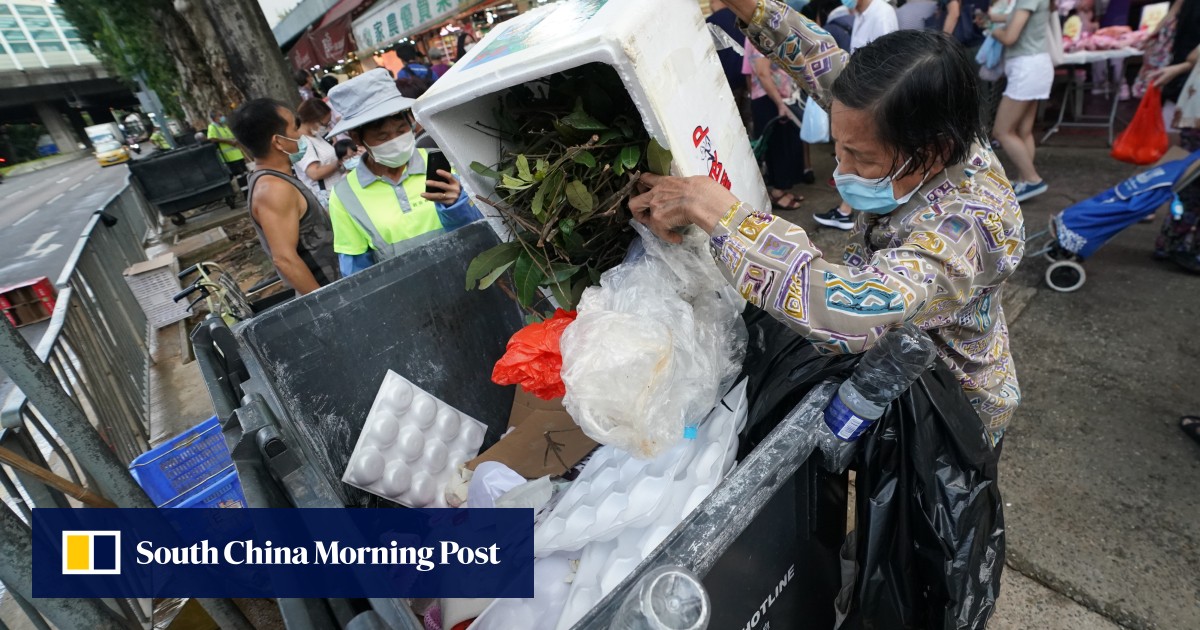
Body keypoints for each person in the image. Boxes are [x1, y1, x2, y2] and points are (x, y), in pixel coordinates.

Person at [631, 1, 1024, 445]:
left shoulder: (970, 225)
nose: (841, 167)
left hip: (948, 410)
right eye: (839, 147)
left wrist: (722, 215)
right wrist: (755, 9)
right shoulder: (917, 116)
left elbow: (857, 310)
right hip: (893, 372)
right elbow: (823, 63)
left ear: (933, 150)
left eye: (862, 157)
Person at [324, 69, 483, 276]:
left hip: (470, 279)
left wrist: (456, 205)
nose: (395, 140)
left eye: (401, 130)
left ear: (411, 123)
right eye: (382, 137)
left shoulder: (444, 161)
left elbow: (481, 231)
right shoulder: (345, 196)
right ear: (357, 138)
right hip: (409, 299)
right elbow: (357, 274)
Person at [229, 99, 340, 294]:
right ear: (278, 141)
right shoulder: (273, 189)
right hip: (324, 289)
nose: (300, 134)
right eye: (295, 128)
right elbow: (284, 258)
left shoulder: (279, 180)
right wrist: (327, 303)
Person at [813, 0, 899, 230]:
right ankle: (847, 210)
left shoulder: (881, 13)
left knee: (864, 160)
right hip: (858, 99)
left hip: (872, 103)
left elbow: (888, 65)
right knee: (850, 157)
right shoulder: (858, 14)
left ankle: (849, 212)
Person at [987, 0, 1055, 202]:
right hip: (1036, 65)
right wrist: (994, 18)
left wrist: (992, 30)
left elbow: (1009, 37)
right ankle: (1025, 180)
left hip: (1027, 68)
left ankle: (1032, 179)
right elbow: (1016, 19)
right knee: (1023, 131)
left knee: (1002, 131)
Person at [1147, 42, 1200, 273]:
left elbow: (1193, 53)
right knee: (1192, 185)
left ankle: (1170, 241)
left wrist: (1176, 70)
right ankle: (1186, 248)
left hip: (1193, 110)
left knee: (1188, 180)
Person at [745, 37, 808, 209]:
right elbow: (762, 73)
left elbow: (748, 73)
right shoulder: (760, 36)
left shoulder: (757, 35)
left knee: (785, 144)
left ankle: (783, 188)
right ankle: (778, 192)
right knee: (779, 146)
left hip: (776, 98)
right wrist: (779, 103)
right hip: (771, 99)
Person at [293, 98, 346, 207]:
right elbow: (314, 173)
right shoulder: (302, 141)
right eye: (324, 124)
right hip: (328, 200)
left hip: (338, 193)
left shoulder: (315, 136)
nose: (326, 127)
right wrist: (339, 162)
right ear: (312, 120)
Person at [207, 110, 249, 192]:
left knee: (245, 174)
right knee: (240, 176)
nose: (222, 117)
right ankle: (246, 193)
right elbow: (212, 138)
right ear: (214, 118)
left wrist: (236, 140)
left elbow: (232, 137)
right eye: (220, 115)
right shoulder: (212, 127)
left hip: (237, 154)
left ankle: (251, 192)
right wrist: (228, 141)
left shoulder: (224, 126)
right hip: (229, 157)